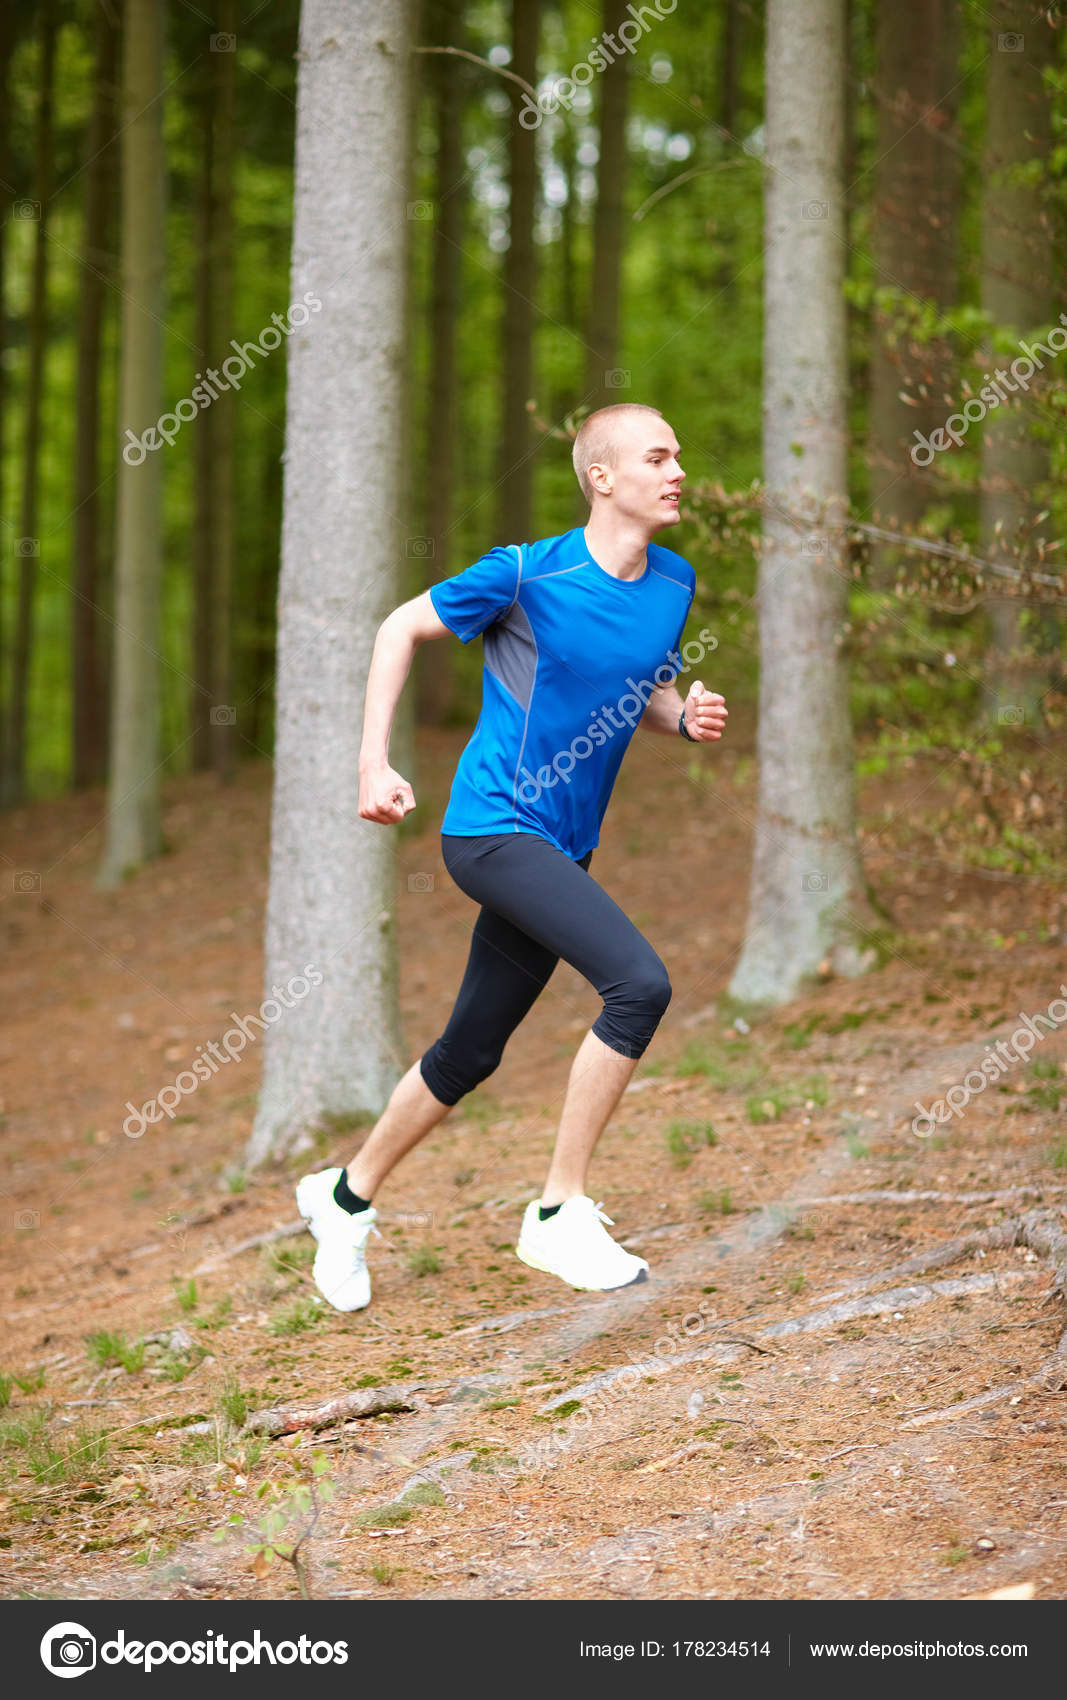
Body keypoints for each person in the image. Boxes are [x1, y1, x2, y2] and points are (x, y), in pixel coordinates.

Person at [296, 403, 727, 1310]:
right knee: (638, 986)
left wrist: (681, 715)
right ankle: (556, 1213)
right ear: (602, 478)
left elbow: (635, 685)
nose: (677, 471)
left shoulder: (673, 581)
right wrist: (373, 761)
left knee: (470, 1049)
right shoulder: (526, 574)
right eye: (657, 457)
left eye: (677, 456)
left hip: (564, 846)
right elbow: (397, 628)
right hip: (492, 828)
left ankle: (343, 1200)